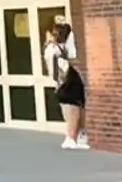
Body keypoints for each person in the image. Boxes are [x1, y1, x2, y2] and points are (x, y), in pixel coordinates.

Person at [43, 21, 88, 150]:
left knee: (75, 110)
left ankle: (75, 136)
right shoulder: (55, 48)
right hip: (66, 81)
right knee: (72, 110)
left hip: (68, 80)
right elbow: (55, 66)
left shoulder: (55, 47)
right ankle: (73, 136)